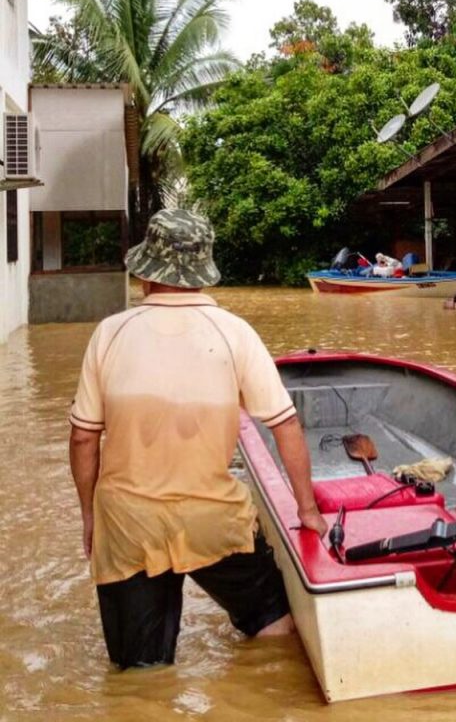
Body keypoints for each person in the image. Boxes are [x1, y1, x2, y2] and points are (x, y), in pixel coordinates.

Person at [68, 208, 327, 670]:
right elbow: (285, 425)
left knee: (141, 675)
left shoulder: (110, 334)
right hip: (213, 518)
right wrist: (307, 511)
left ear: (146, 272)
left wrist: (91, 516)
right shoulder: (234, 333)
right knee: (275, 627)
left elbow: (84, 439)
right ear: (202, 272)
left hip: (129, 526)